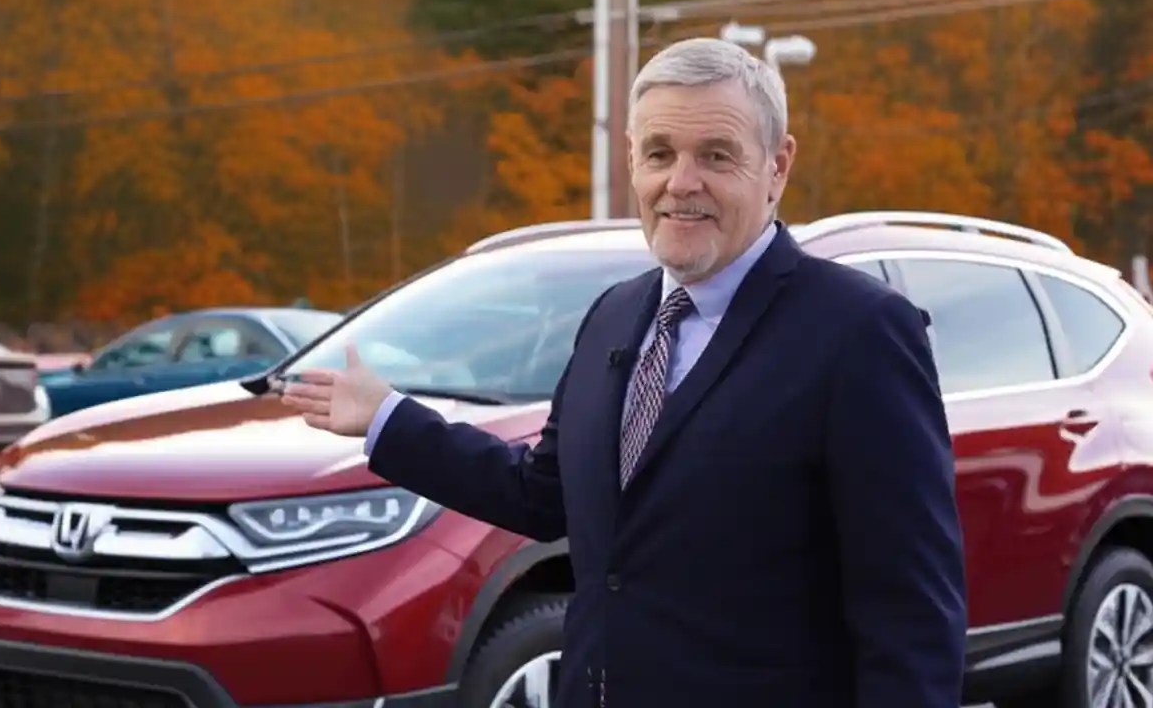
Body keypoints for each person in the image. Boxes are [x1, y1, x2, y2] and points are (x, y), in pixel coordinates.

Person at [283, 37, 967, 708]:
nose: (681, 183)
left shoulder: (860, 332)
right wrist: (387, 420)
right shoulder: (616, 315)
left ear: (777, 167)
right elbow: (545, 496)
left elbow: (910, 611)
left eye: (716, 156)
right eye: (660, 154)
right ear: (633, 162)